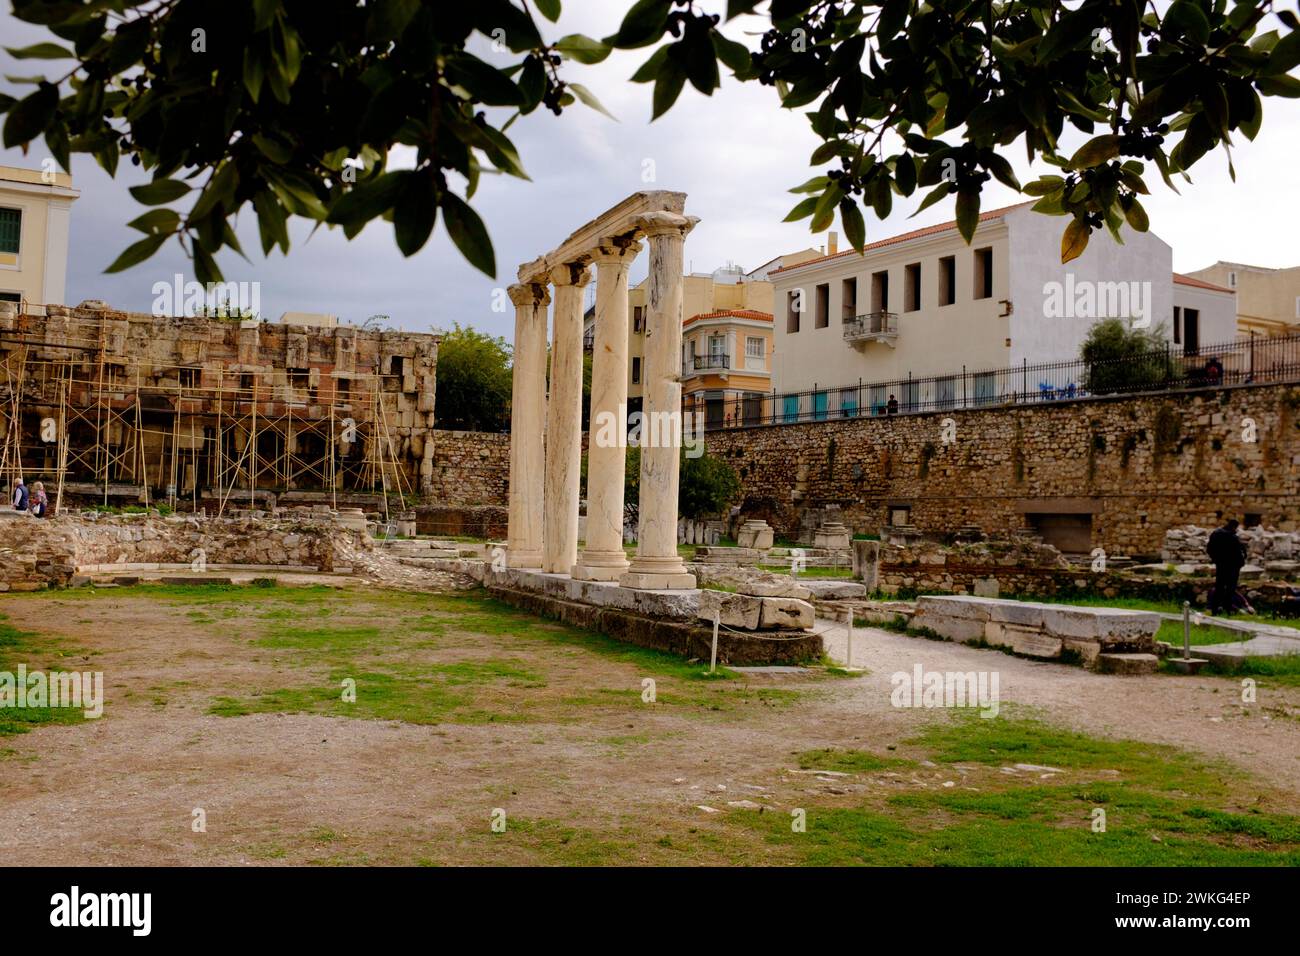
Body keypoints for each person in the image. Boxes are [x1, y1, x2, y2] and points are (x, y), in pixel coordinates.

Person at [1206, 518, 1247, 615]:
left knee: (1219, 587)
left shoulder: (1216, 534)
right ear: (1234, 526)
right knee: (1230, 588)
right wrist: (1241, 563)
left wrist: (1216, 560)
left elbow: (1209, 549)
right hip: (1232, 566)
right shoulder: (1233, 537)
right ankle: (1228, 609)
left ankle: (1215, 610)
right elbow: (1238, 553)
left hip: (1221, 565)